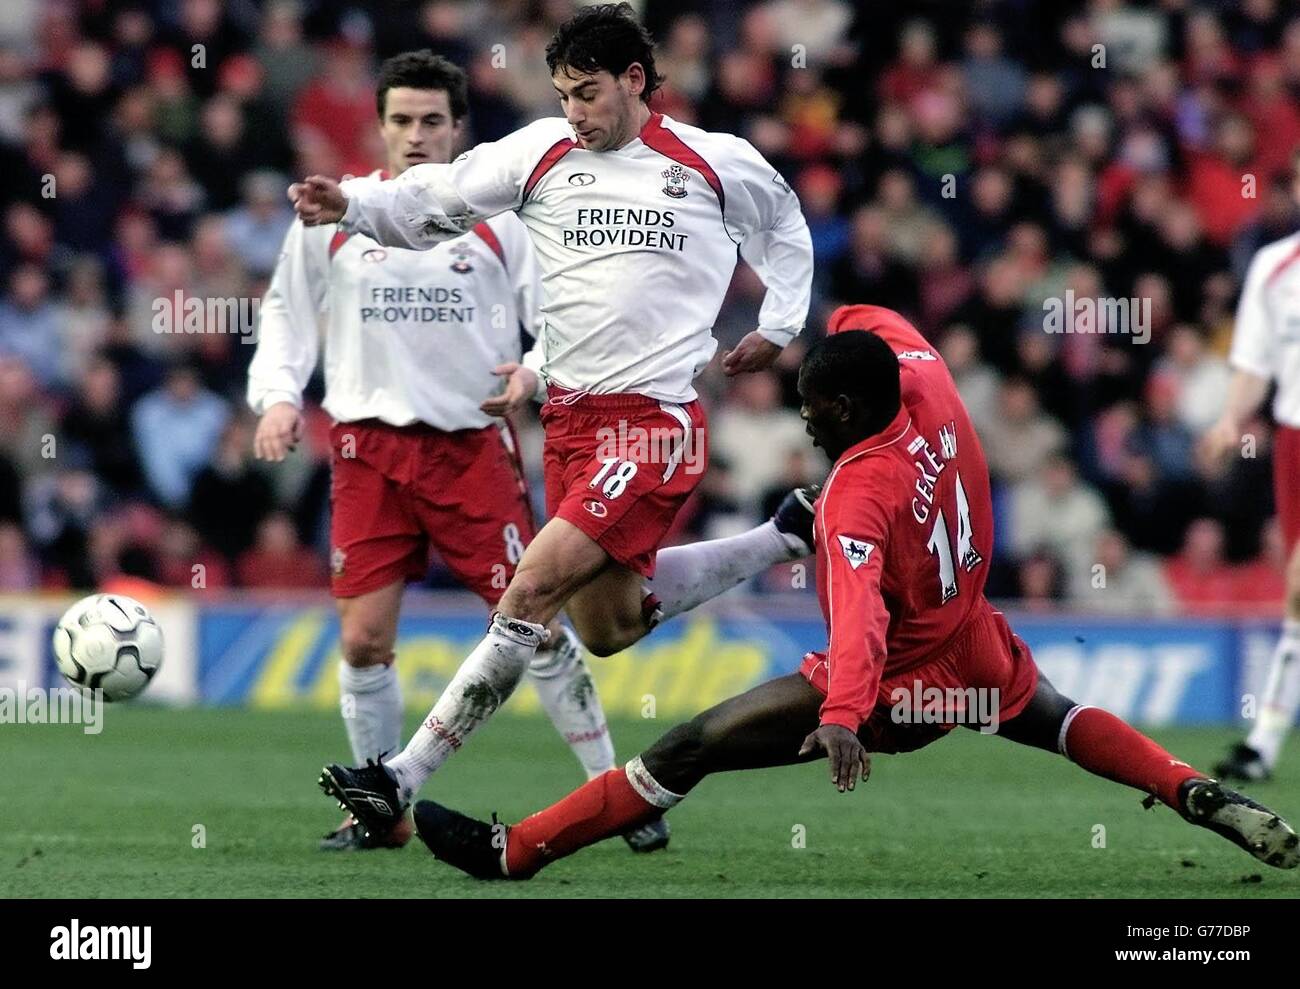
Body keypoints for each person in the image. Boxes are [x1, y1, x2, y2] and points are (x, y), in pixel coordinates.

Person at [408, 306, 1299, 880]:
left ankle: (513, 852)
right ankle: (1194, 791)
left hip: (890, 685)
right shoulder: (930, 387)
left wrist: (843, 710)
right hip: (972, 636)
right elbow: (880, 324)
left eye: (813, 404)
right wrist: (830, 319)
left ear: (846, 408)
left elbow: (864, 610)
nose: (803, 415)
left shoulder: (853, 499)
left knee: (687, 747)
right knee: (1062, 720)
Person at [299, 5, 818, 840]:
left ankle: (399, 775)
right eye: (563, 94)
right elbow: (438, 196)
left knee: (529, 590)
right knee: (609, 626)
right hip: (572, 424)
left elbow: (786, 227)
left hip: (654, 424)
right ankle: (784, 537)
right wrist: (354, 206)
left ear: (635, 81)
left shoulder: (717, 164)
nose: (573, 110)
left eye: (587, 93)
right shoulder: (540, 152)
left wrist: (781, 325)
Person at [249, 50, 660, 852]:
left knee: (536, 625)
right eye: (401, 119)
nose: (416, 134)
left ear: (458, 129)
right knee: (364, 639)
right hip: (367, 453)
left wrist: (534, 373)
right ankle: (379, 807)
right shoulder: (338, 210)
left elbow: (563, 316)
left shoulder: (503, 218)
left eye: (432, 120)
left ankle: (615, 794)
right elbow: (287, 317)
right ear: (380, 126)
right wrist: (275, 399)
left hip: (472, 450)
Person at [1203, 145, 1300, 782]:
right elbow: (1255, 368)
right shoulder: (1273, 267)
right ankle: (1263, 744)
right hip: (1295, 442)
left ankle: (1264, 740)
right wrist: (1229, 420)